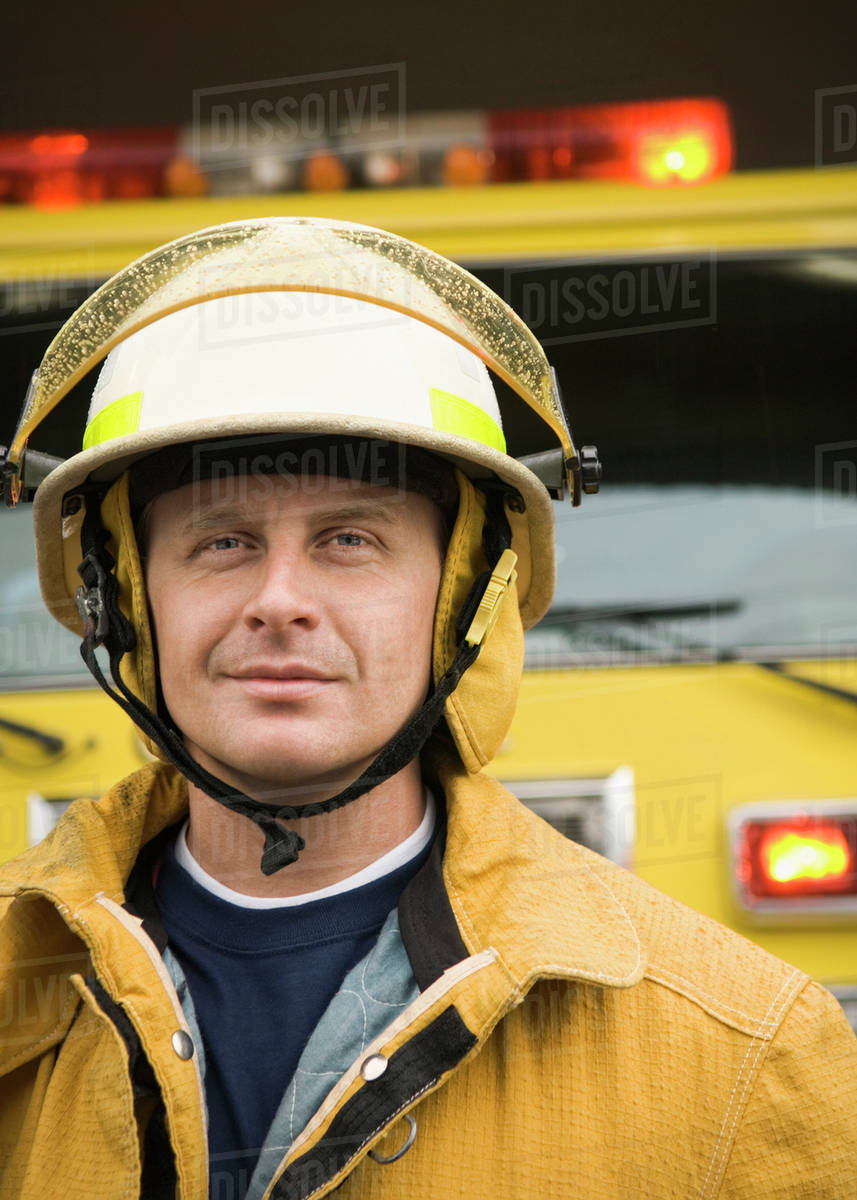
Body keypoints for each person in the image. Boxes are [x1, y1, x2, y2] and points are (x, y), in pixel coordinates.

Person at [0, 217, 855, 1200]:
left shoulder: (745, 1056)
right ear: (122, 601)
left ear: (464, 599)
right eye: (221, 540)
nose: (280, 600)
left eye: (349, 540)